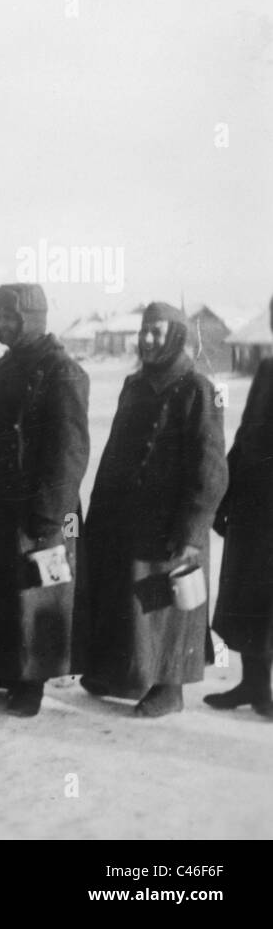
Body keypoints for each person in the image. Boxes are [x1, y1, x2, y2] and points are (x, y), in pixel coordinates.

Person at [78, 302, 227, 717]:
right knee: (129, 602)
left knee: (168, 607)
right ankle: (121, 673)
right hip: (125, 515)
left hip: (171, 523)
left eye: (157, 332)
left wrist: (192, 529)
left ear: (177, 336)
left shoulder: (198, 389)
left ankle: (170, 688)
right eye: (144, 330)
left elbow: (211, 469)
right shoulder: (135, 384)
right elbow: (115, 451)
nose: (147, 338)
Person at [0, 284, 90, 716]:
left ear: (32, 318)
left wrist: (50, 516)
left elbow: (69, 452)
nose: (1, 324)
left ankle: (30, 684)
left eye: (10, 316)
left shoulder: (61, 371)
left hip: (36, 510)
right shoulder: (3, 368)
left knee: (32, 598)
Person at [207, 296, 273, 720]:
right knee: (247, 598)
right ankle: (252, 684)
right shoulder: (267, 370)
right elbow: (246, 433)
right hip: (252, 504)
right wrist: (224, 496)